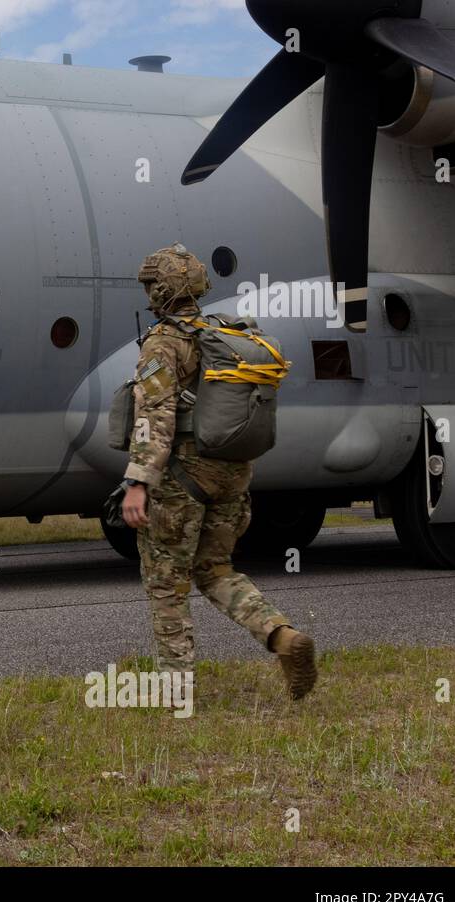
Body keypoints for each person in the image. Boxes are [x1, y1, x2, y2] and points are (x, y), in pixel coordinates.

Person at [121, 244, 317, 699]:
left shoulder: (164, 342)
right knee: (215, 570)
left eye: (152, 284)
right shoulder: (224, 333)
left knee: (167, 583)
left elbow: (155, 413)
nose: (149, 292)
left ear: (164, 288)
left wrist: (138, 483)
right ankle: (281, 635)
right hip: (232, 475)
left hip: (182, 478)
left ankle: (175, 692)